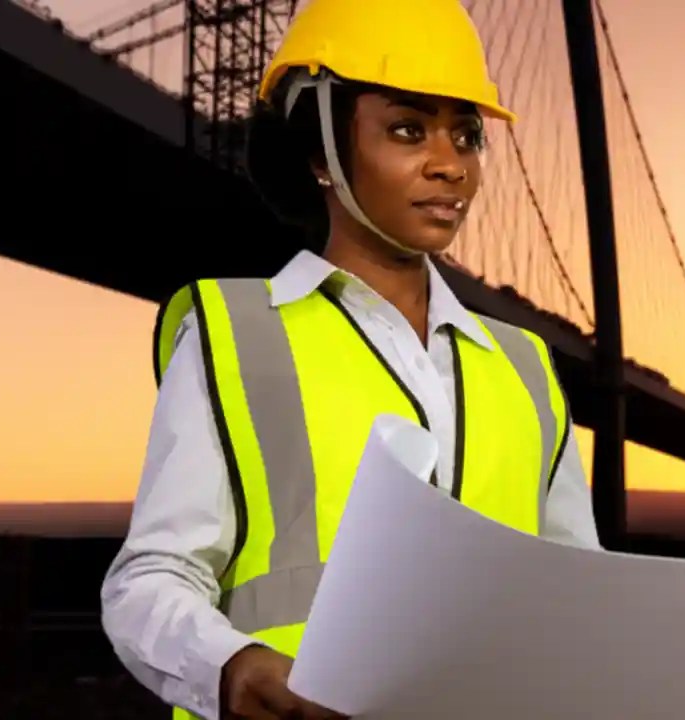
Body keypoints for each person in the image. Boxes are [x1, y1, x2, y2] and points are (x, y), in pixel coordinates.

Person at [99, 1, 601, 718]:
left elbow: (579, 598)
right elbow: (148, 580)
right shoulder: (236, 336)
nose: (451, 166)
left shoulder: (523, 367)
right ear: (319, 154)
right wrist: (232, 667)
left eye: (467, 136)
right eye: (408, 129)